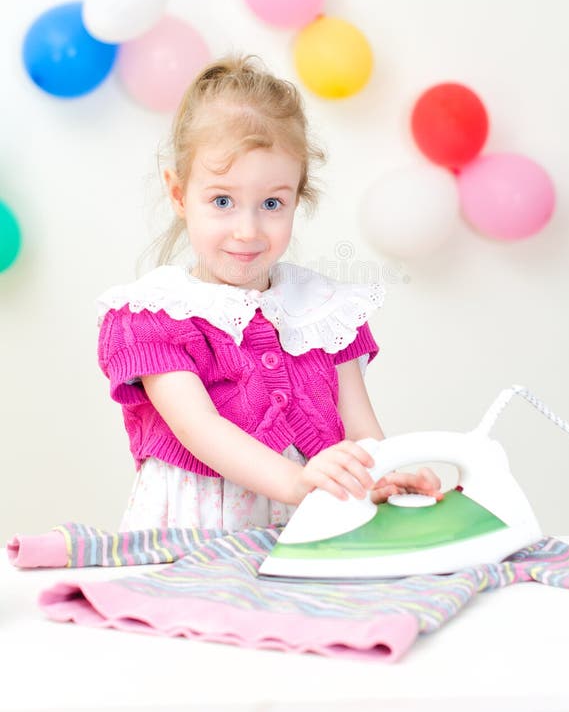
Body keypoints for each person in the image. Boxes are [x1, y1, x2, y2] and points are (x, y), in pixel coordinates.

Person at [97, 55, 442, 531]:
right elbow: (200, 429)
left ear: (297, 197)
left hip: (308, 522)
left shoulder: (326, 311)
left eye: (272, 203)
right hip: (198, 530)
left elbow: (362, 431)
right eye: (222, 201)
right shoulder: (153, 317)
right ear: (179, 194)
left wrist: (384, 477)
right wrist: (297, 482)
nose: (248, 230)